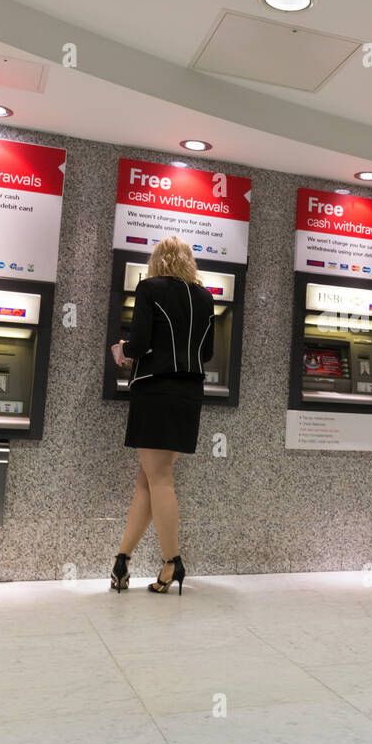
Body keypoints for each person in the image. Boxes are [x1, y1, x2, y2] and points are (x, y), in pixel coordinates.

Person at [108, 235, 215, 595]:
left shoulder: (149, 288)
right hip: (189, 394)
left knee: (161, 479)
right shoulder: (205, 297)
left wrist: (122, 350)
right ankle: (122, 560)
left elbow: (138, 343)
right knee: (149, 480)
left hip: (155, 390)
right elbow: (209, 352)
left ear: (157, 260)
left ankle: (173, 561)